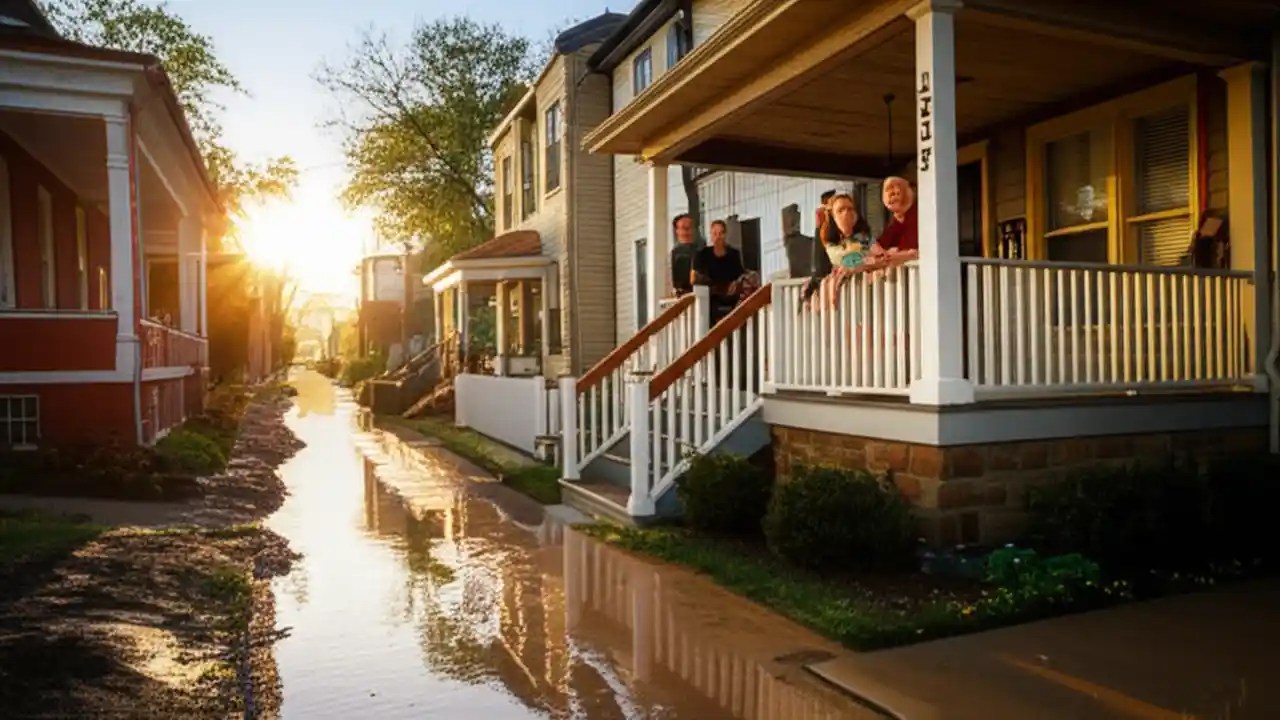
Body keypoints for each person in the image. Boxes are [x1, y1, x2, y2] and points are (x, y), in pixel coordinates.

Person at [803, 192, 875, 308]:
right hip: (845, 299)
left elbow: (880, 254)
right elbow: (844, 259)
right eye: (841, 210)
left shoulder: (864, 238)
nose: (846, 213)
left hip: (868, 295)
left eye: (850, 209)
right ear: (833, 217)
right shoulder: (831, 244)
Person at [693, 219, 745, 324]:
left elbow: (740, 274)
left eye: (721, 233)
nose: (718, 237)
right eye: (715, 233)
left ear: (725, 235)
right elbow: (696, 276)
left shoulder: (733, 254)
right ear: (711, 235)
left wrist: (735, 283)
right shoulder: (703, 254)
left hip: (730, 295)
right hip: (710, 296)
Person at [669, 213, 700, 296]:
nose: (686, 231)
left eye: (689, 227)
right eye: (683, 228)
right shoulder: (672, 255)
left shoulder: (702, 251)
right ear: (677, 231)